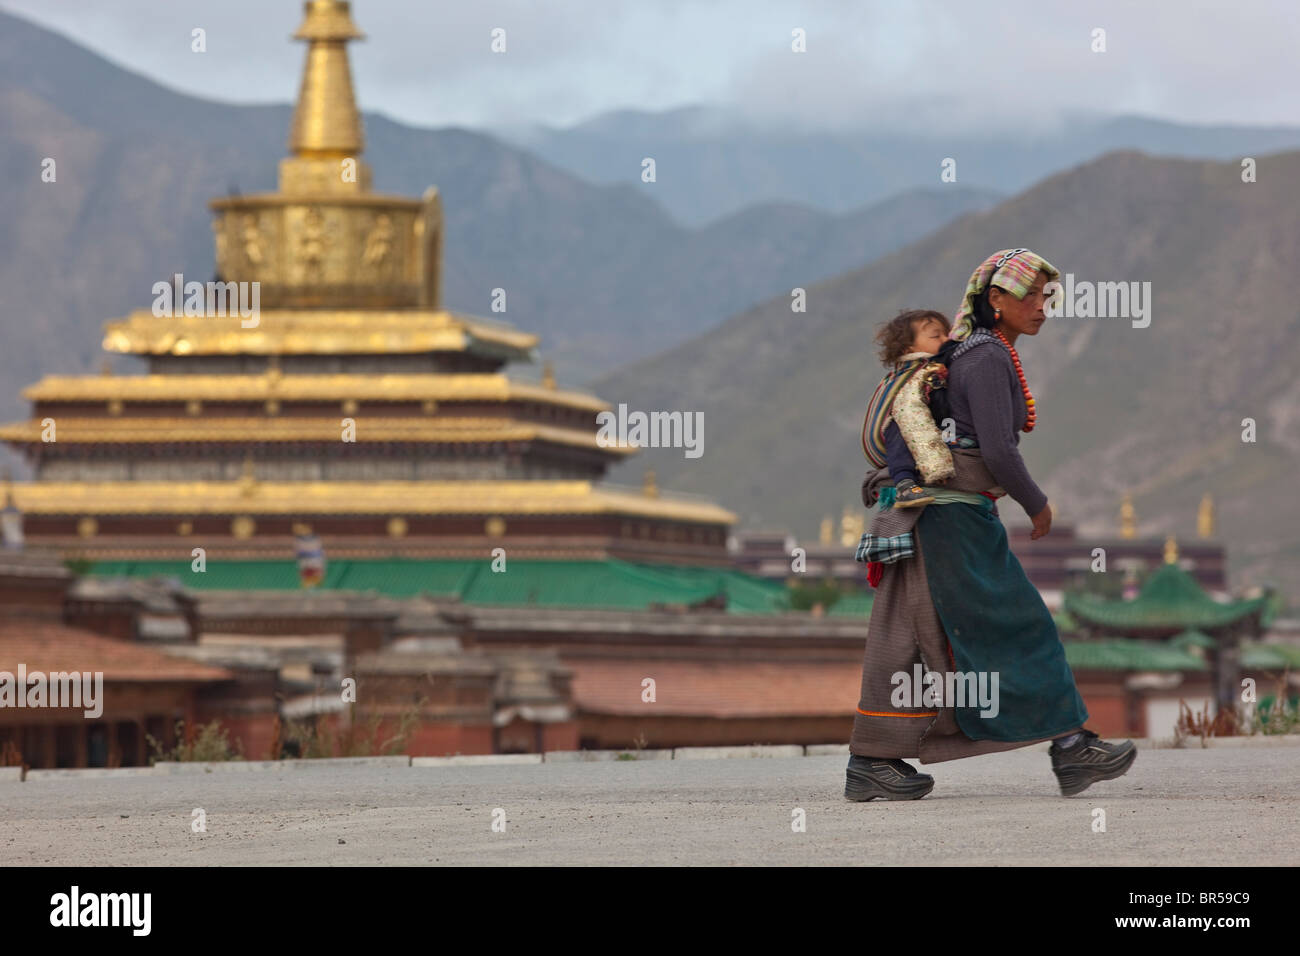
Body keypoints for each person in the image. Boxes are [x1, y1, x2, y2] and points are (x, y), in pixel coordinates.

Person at [845, 248, 1137, 801]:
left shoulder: (975, 354)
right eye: (1029, 296)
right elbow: (1000, 450)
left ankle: (872, 759)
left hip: (939, 515)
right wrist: (1037, 504)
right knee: (1022, 623)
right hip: (949, 519)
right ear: (996, 300)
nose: (1042, 308)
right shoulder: (984, 358)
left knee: (909, 635)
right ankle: (1072, 748)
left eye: (1047, 297)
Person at [861, 310, 956, 509]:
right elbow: (909, 410)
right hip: (892, 439)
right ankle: (905, 483)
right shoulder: (918, 374)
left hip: (919, 432)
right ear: (908, 348)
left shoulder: (930, 370)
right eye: (936, 336)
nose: (946, 339)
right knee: (900, 424)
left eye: (947, 334)